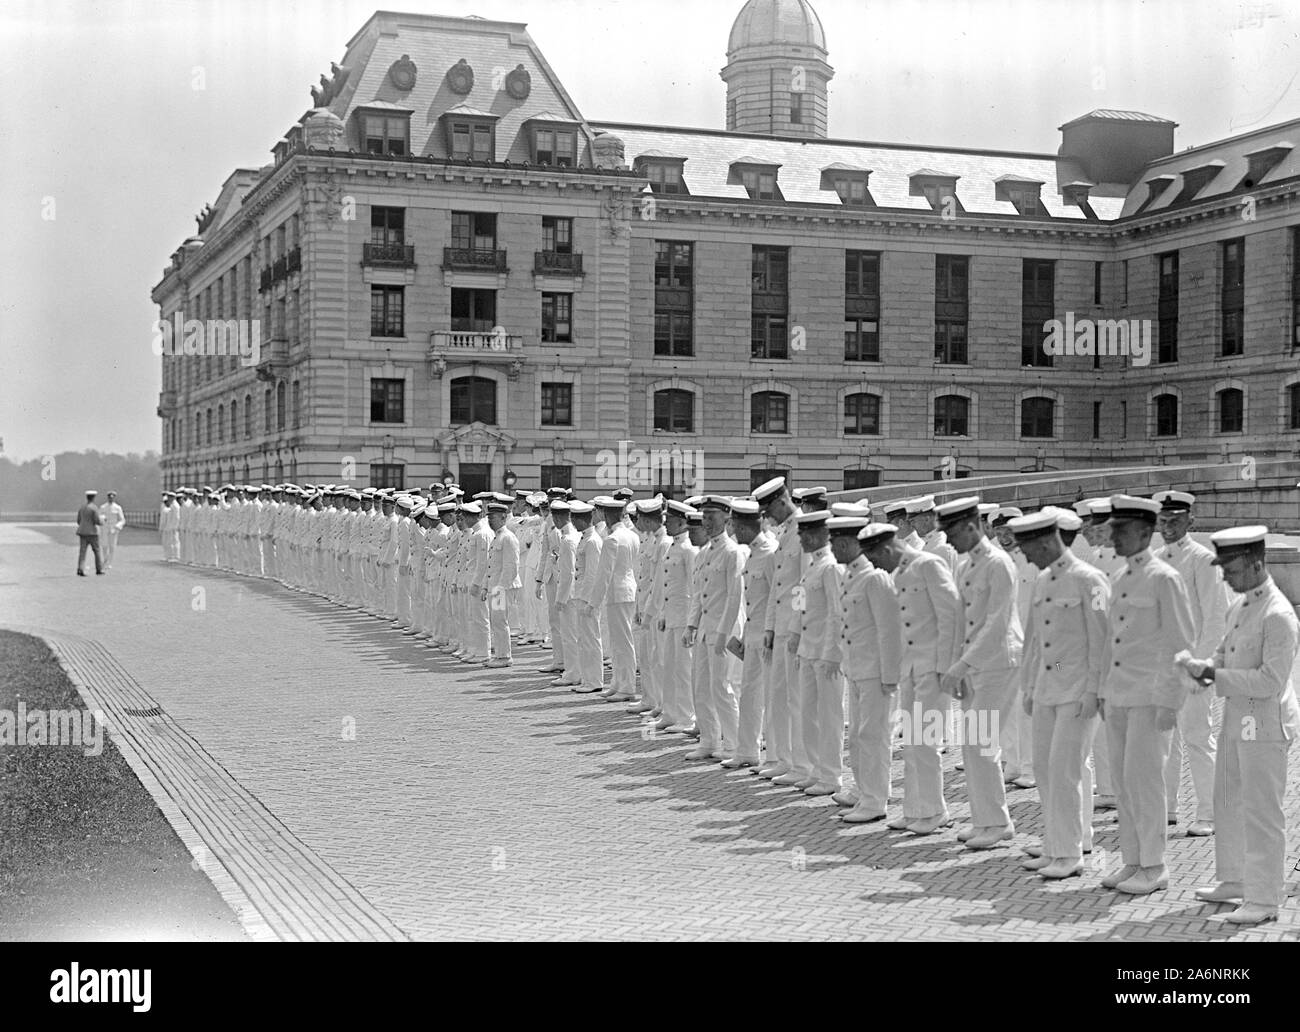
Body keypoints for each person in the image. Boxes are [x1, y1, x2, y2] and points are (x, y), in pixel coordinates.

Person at [1182, 526, 1300, 925]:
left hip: (1263, 722)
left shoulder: (1278, 615)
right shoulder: (1241, 605)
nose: (1225, 577)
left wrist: (1218, 678)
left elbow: (1271, 681)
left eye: (1231, 568)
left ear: (1255, 563)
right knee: (1228, 800)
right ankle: (1234, 879)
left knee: (1261, 810)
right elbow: (1223, 649)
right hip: (1239, 715)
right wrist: (1208, 668)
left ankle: (1265, 897)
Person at [1098, 495, 1196, 896]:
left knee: (1146, 783)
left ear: (1144, 531)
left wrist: (1171, 702)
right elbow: (1111, 643)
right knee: (1123, 782)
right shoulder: (1121, 579)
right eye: (1113, 529)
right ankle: (1133, 860)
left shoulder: (1163, 578)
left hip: (1150, 699)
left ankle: (1154, 866)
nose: (1114, 536)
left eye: (1121, 530)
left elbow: (1181, 642)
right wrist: (1104, 691)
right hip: (1121, 698)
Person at [1011, 509, 1111, 879]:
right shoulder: (1042, 580)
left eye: (1030, 549)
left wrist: (1094, 691)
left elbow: (1104, 642)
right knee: (1044, 769)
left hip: (1078, 692)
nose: (1027, 557)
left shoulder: (1090, 580)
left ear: (1047, 541)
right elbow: (1035, 642)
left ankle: (1070, 854)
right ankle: (1055, 844)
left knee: (1066, 771)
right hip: (1047, 691)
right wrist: (1030, 686)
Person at [860, 522, 962, 834]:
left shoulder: (929, 564)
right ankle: (915, 809)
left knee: (927, 742)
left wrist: (947, 667)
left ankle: (933, 811)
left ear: (887, 548)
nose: (876, 566)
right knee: (913, 743)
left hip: (933, 667)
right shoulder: (900, 573)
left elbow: (951, 615)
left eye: (876, 558)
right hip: (911, 669)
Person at [937, 496, 1023, 849]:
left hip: (999, 661)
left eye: (953, 532)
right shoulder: (965, 565)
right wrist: (954, 665)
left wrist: (962, 665)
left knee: (981, 742)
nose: (950, 540)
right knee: (973, 745)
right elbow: (961, 620)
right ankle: (986, 819)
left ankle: (997, 822)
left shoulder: (998, 563)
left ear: (971, 526)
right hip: (976, 664)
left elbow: (996, 622)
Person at [1155, 490, 1229, 837]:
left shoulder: (1202, 559)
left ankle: (1209, 814)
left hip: (1194, 668)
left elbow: (1216, 617)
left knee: (1199, 739)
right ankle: (1166, 808)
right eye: (1163, 520)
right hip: (1163, 669)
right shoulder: (1155, 558)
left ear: (1190, 521)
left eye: (1176, 520)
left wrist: (1200, 666)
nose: (1168, 526)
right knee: (1164, 740)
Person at [833, 518, 902, 824]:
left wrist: (889, 676)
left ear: (847, 544)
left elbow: (889, 630)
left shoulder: (874, 578)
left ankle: (875, 800)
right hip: (857, 667)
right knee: (860, 736)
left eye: (834, 542)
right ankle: (864, 790)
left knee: (874, 736)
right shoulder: (851, 576)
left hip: (875, 672)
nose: (830, 547)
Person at [684, 496, 744, 762]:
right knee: (701, 687)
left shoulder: (733, 552)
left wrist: (724, 633)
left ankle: (733, 744)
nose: (706, 522)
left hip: (723, 631)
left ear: (727, 520)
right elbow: (698, 594)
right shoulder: (704, 553)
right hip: (704, 631)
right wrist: (691, 625)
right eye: (704, 517)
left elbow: (734, 597)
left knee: (722, 688)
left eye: (712, 517)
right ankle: (709, 739)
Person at [755, 477, 804, 783]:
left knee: (796, 700)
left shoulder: (803, 533)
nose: (766, 518)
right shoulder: (786, 534)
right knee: (779, 697)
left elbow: (802, 587)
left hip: (795, 628)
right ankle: (783, 758)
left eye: (768, 510)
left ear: (781, 502)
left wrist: (796, 626)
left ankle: (801, 763)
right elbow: (777, 588)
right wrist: (771, 627)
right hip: (781, 628)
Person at [726, 498, 775, 769]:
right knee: (749, 694)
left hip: (768, 635)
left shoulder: (769, 553)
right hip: (752, 632)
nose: (734, 531)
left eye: (736, 526)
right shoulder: (752, 553)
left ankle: (775, 756)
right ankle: (747, 750)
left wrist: (773, 631)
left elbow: (780, 598)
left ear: (746, 527)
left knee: (770, 696)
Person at [589, 496, 639, 702]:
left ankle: (626, 686)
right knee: (619, 641)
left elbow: (604, 574)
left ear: (605, 515)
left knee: (622, 643)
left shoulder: (612, 539)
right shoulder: (630, 535)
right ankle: (618, 682)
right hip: (627, 590)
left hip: (617, 593)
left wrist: (593, 602)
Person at [484, 501, 520, 667]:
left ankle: (504, 656)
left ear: (503, 518)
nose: (490, 520)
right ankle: (500, 654)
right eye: (489, 517)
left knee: (499, 621)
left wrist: (500, 589)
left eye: (493, 517)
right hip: (496, 587)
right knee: (496, 621)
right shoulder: (497, 536)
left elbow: (511, 567)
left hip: (503, 587)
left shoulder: (508, 537)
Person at [76, 490, 106, 576]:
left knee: (82, 551)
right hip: (92, 533)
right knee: (97, 551)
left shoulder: (82, 507)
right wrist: (103, 521)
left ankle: (80, 569)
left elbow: (78, 521)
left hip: (82, 532)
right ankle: (99, 569)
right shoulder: (94, 508)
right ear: (93, 497)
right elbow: (97, 521)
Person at [98, 491, 125, 569]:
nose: (111, 499)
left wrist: (117, 526)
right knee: (104, 545)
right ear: (107, 498)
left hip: (113, 529)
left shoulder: (118, 507)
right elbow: (99, 517)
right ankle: (105, 560)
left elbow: (122, 520)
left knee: (112, 546)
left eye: (112, 498)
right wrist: (102, 519)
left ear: (114, 498)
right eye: (109, 497)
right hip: (105, 528)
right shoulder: (103, 507)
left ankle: (110, 562)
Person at [159, 491, 180, 561]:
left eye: (170, 497)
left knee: (174, 543)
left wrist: (174, 527)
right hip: (169, 527)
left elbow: (177, 518)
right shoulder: (172, 506)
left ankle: (175, 556)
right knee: (168, 543)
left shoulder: (175, 506)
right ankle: (169, 556)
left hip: (173, 528)